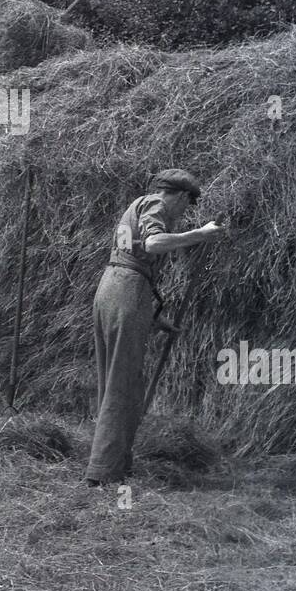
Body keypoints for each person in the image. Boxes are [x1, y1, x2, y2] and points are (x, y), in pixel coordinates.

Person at [84, 170, 227, 486]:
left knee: (113, 380)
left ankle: (113, 463)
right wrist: (199, 234)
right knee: (123, 384)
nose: (183, 213)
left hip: (111, 288)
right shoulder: (156, 204)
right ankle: (103, 472)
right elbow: (153, 243)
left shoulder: (137, 205)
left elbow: (132, 255)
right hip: (127, 290)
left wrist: (150, 316)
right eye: (187, 205)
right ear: (180, 196)